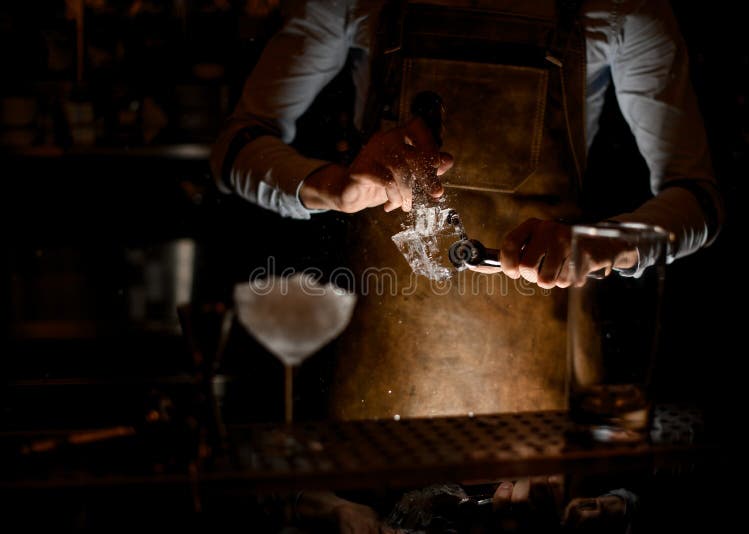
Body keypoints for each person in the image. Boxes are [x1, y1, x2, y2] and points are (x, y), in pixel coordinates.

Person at [211, 0, 722, 531]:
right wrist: (334, 186)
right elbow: (234, 148)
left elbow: (699, 200)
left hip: (543, 429)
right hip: (375, 430)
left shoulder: (620, 9)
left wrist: (601, 243)